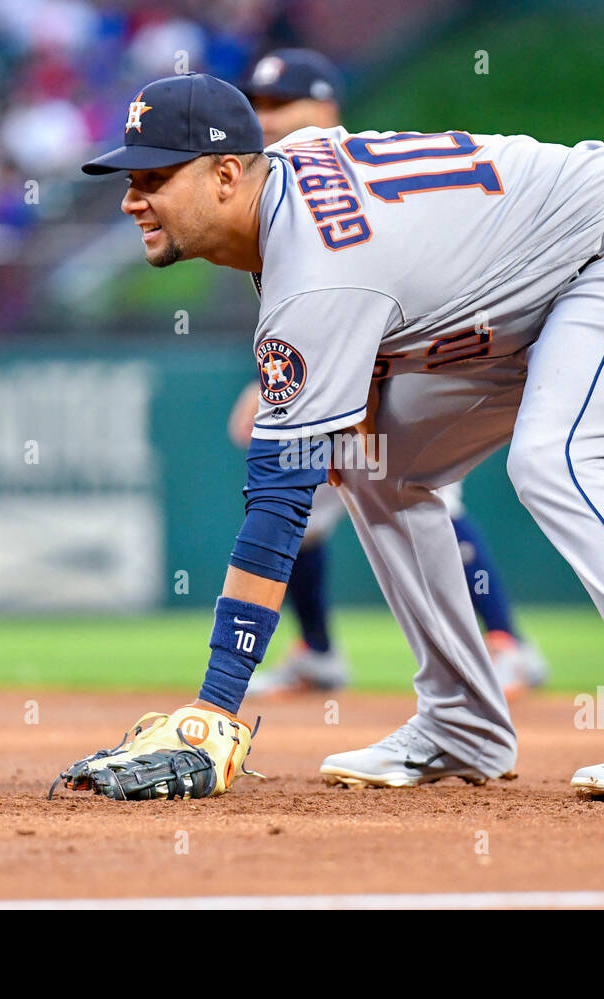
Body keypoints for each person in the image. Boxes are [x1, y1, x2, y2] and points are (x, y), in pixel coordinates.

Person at [51, 72, 604, 803]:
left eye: (155, 176)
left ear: (228, 174)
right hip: (527, 297)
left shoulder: (318, 271)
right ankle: (461, 721)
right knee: (369, 459)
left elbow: (279, 501)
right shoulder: (287, 184)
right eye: (130, 175)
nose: (132, 197)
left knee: (559, 461)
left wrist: (217, 703)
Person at [232, 48, 547, 700]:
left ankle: (506, 645)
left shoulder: (336, 173)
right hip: (355, 359)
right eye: (257, 107)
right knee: (306, 503)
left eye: (280, 105)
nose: (265, 120)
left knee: (419, 488)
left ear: (324, 109)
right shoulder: (276, 194)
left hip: (421, 349)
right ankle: (317, 653)